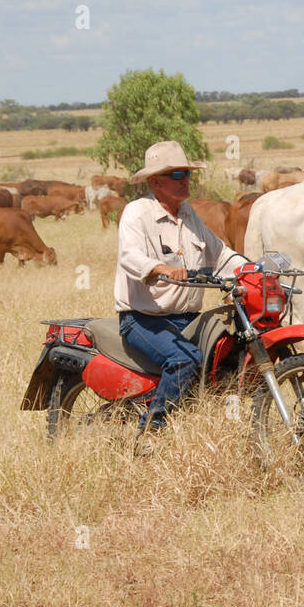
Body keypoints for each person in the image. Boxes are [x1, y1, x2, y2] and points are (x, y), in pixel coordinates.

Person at [114, 140, 245, 432]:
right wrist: (159, 268)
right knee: (185, 360)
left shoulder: (189, 215)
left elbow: (219, 253)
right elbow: (129, 256)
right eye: (176, 175)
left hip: (185, 319)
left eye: (186, 173)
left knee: (227, 353)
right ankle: (151, 431)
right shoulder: (137, 213)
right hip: (143, 320)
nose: (185, 179)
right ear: (156, 181)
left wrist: (252, 269)